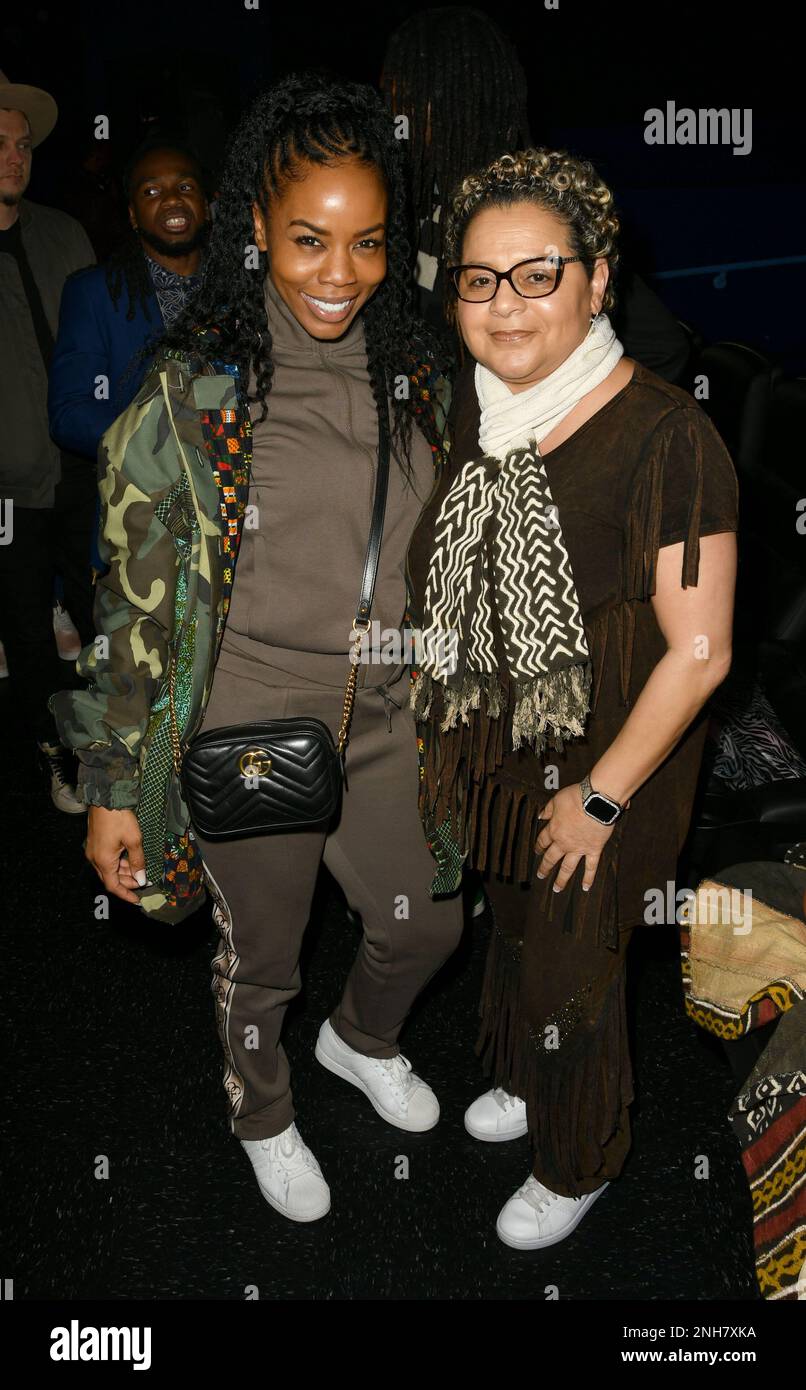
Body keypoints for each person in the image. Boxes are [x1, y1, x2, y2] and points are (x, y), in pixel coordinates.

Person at [48, 73, 464, 1225]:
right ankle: (261, 1109)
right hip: (247, 710)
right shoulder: (193, 392)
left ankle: (358, 1039)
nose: (340, 273)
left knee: (423, 920)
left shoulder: (420, 377)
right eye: (308, 241)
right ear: (254, 235)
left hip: (388, 704)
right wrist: (112, 789)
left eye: (367, 243)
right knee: (261, 958)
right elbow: (129, 605)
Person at [406, 147, 739, 1249]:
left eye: (536, 273)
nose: (503, 305)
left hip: (608, 772)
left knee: (571, 970)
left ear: (597, 281)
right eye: (478, 277)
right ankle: (523, 1078)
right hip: (498, 754)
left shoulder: (667, 438)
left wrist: (596, 796)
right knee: (511, 937)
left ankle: (579, 1153)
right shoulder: (484, 408)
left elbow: (698, 653)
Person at [380, 7, 692, 381]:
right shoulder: (418, 199)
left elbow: (663, 348)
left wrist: (550, 420)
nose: (395, 115)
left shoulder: (521, 211)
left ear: (453, 103)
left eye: (407, 100)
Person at [0, 69, 96, 813]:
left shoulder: (65, 234)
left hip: (84, 471)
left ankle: (120, 750)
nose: (13, 155)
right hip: (6, 490)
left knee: (111, 611)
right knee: (25, 627)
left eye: (22, 143)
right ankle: (53, 755)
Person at [49, 138, 210, 466]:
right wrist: (165, 439)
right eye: (151, 191)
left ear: (206, 205)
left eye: (185, 186)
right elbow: (70, 414)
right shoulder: (94, 293)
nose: (171, 200)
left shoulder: (244, 288)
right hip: (149, 502)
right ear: (133, 216)